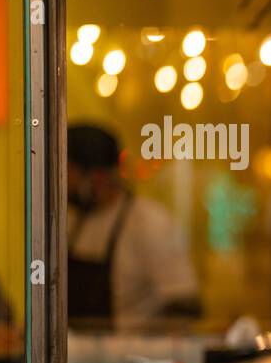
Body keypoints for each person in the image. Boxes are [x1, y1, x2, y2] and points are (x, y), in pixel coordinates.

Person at [67, 125, 200, 333]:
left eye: (69, 173)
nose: (65, 184)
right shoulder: (72, 222)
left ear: (97, 176)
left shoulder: (149, 223)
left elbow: (184, 305)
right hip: (77, 357)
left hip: (130, 359)